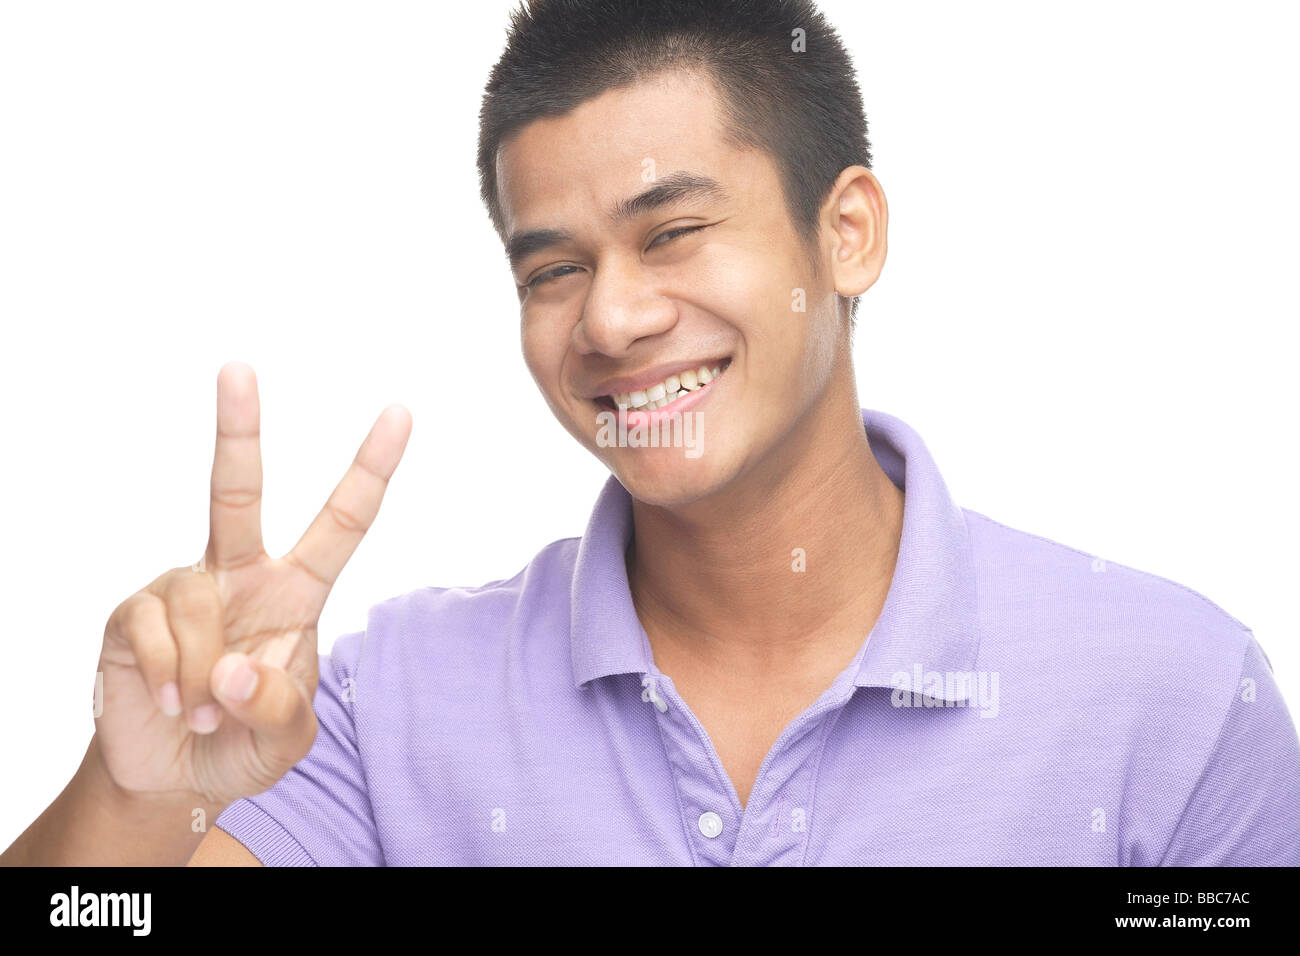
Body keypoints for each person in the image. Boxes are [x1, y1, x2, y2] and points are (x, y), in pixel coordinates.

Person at [4, 0, 1298, 867]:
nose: (612, 319)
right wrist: (139, 794)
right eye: (552, 268)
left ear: (846, 235)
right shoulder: (385, 704)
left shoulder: (1174, 699)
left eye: (673, 232)